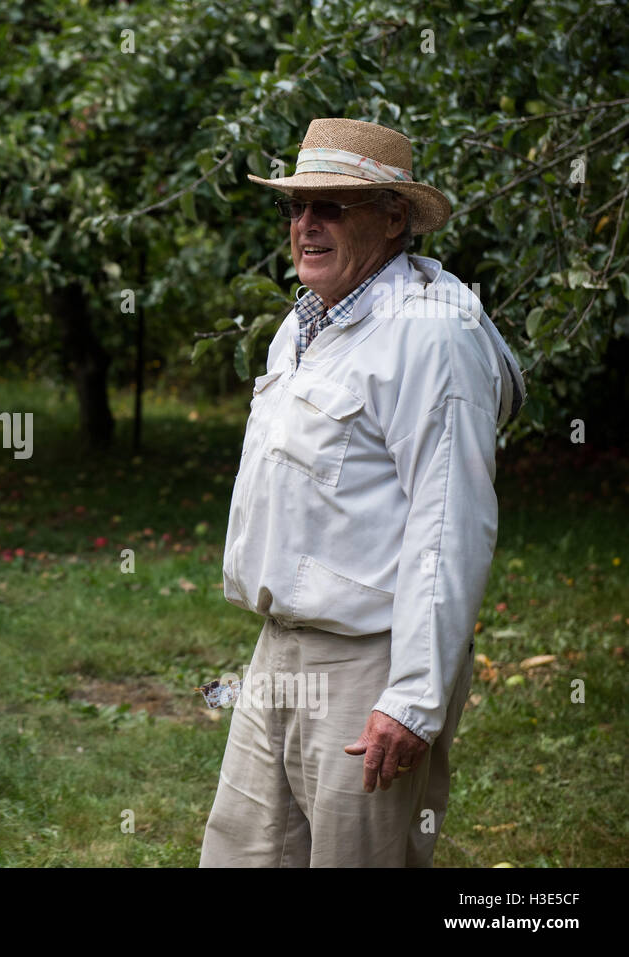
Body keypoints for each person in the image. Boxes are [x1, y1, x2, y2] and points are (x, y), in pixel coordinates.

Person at [199, 117, 526, 867]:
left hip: (368, 667)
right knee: (241, 855)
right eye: (295, 207)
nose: (306, 224)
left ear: (393, 217)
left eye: (331, 206)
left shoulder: (433, 335)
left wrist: (412, 697)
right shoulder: (305, 321)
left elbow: (449, 525)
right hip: (277, 652)